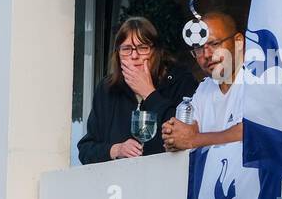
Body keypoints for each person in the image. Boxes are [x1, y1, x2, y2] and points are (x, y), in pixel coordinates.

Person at [78, 16, 200, 164]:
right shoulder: (108, 88)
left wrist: (149, 93)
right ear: (117, 54)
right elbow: (85, 150)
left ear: (156, 52)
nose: (134, 56)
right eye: (126, 49)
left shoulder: (179, 80)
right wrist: (116, 150)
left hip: (166, 177)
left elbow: (187, 136)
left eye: (143, 48)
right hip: (118, 183)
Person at [161, 10, 246, 153]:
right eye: (199, 49)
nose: (206, 55)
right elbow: (189, 129)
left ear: (238, 42)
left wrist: (192, 140)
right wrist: (174, 136)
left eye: (214, 44)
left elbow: (249, 131)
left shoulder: (260, 78)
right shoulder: (204, 88)